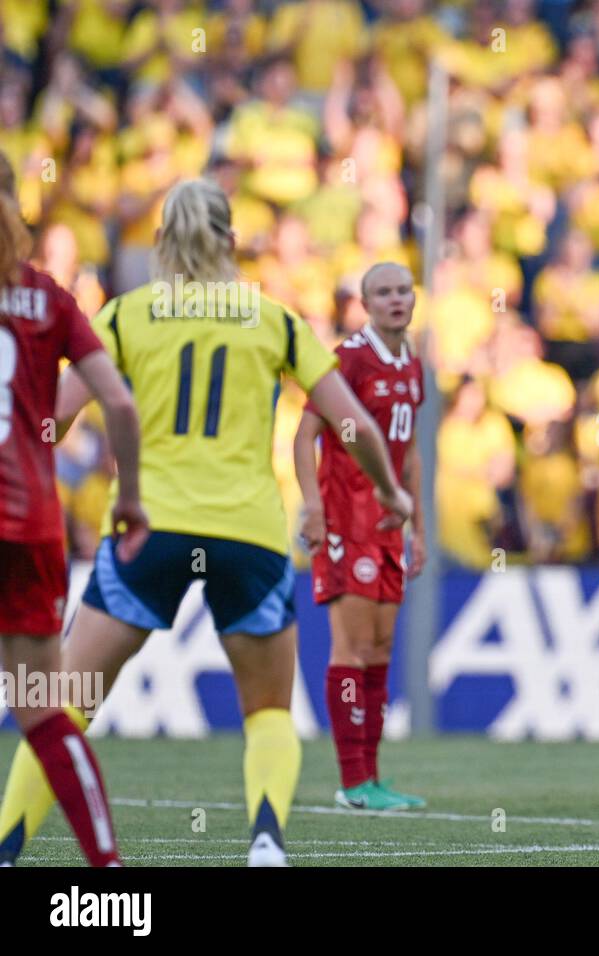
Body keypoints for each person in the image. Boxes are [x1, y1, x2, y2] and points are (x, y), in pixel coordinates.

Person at [0, 179, 412, 867]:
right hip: (246, 535)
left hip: (147, 531)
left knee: (61, 705)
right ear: (230, 241)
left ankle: (8, 850)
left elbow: (56, 415)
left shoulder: (129, 315)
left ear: (161, 242)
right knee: (269, 714)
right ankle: (265, 845)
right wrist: (391, 491)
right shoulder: (273, 319)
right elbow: (352, 422)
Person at [0, 154, 147, 867]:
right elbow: (118, 400)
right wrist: (129, 497)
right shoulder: (51, 299)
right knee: (44, 714)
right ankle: (108, 876)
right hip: (32, 526)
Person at [295, 261, 426, 811]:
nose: (396, 300)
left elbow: (410, 449)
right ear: (365, 303)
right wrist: (313, 508)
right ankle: (352, 782)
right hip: (347, 519)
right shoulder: (347, 359)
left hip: (388, 526)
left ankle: (371, 779)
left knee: (380, 649)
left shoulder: (413, 365)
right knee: (350, 648)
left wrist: (416, 526)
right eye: (384, 292)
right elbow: (305, 437)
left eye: (403, 290)